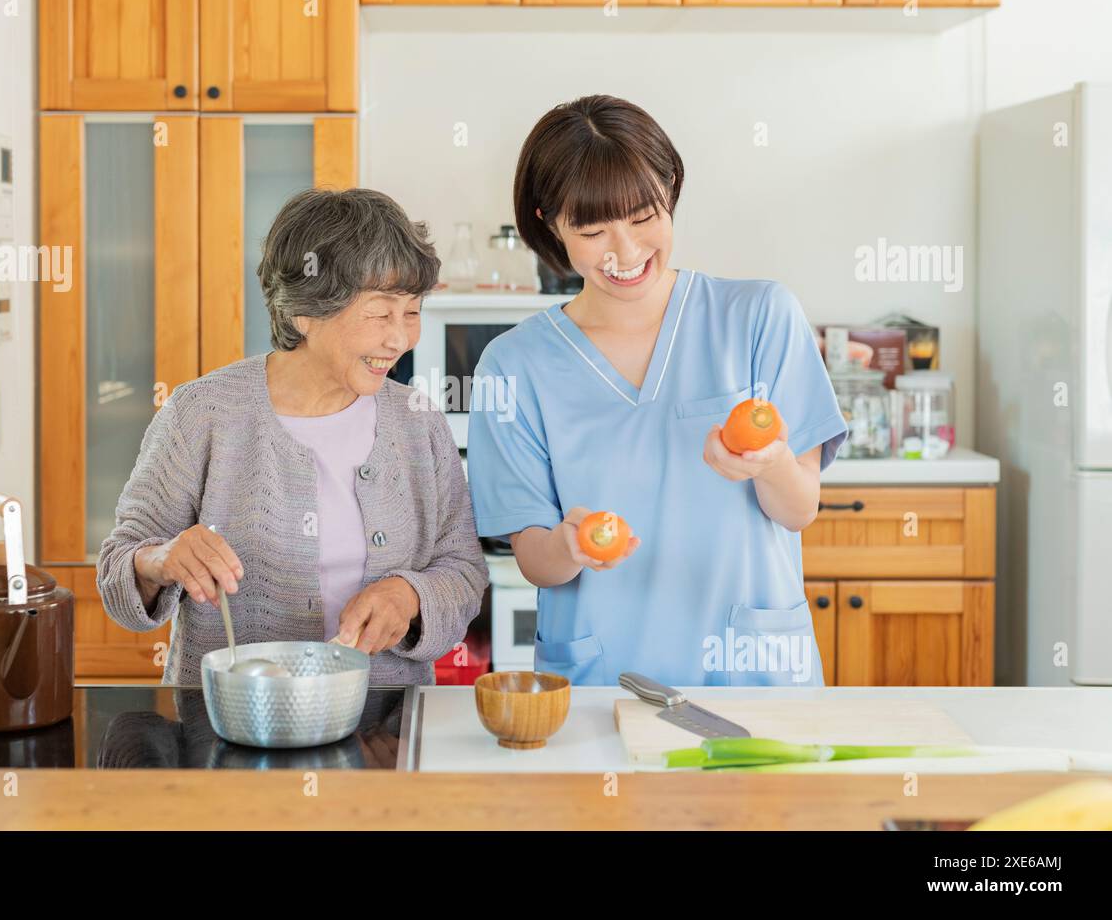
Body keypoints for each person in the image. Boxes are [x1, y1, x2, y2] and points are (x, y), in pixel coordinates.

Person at [466, 95, 848, 686]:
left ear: (670, 187)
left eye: (644, 217)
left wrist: (768, 462)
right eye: (592, 229)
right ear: (549, 222)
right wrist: (569, 545)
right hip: (603, 682)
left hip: (752, 679)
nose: (626, 251)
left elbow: (798, 510)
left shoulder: (758, 317)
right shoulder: (514, 365)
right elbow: (537, 562)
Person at [98, 188, 488, 685]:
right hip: (235, 722)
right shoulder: (202, 413)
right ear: (306, 311)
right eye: (379, 312)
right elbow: (118, 573)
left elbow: (463, 569)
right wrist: (159, 560)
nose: (401, 338)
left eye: (412, 311)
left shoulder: (418, 421)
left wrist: (409, 596)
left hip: (384, 722)